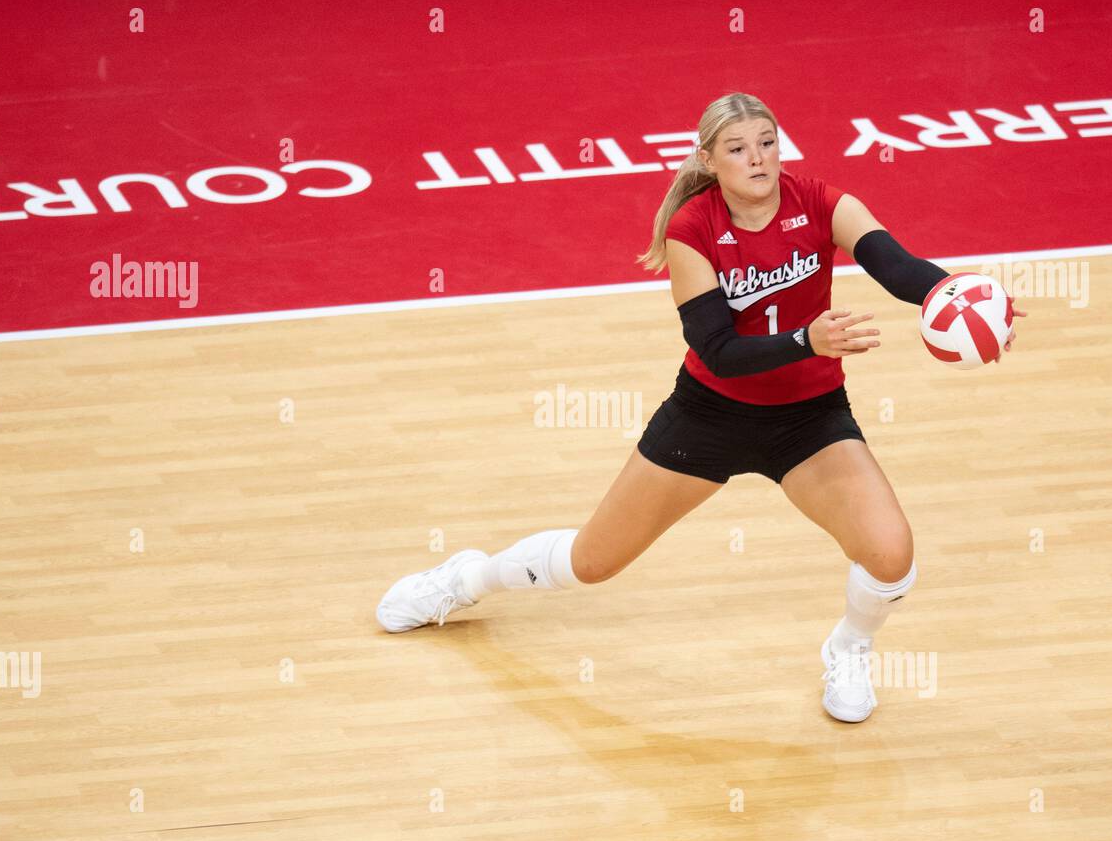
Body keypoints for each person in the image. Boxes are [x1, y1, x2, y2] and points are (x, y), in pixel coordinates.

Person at [376, 92, 1023, 724]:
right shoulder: (693, 230)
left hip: (809, 418)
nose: (758, 158)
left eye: (768, 142)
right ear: (709, 160)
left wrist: (961, 299)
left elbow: (896, 265)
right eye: (739, 149)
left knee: (891, 556)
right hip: (709, 415)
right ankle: (466, 580)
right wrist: (808, 338)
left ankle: (850, 648)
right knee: (592, 563)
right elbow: (716, 349)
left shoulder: (822, 202)